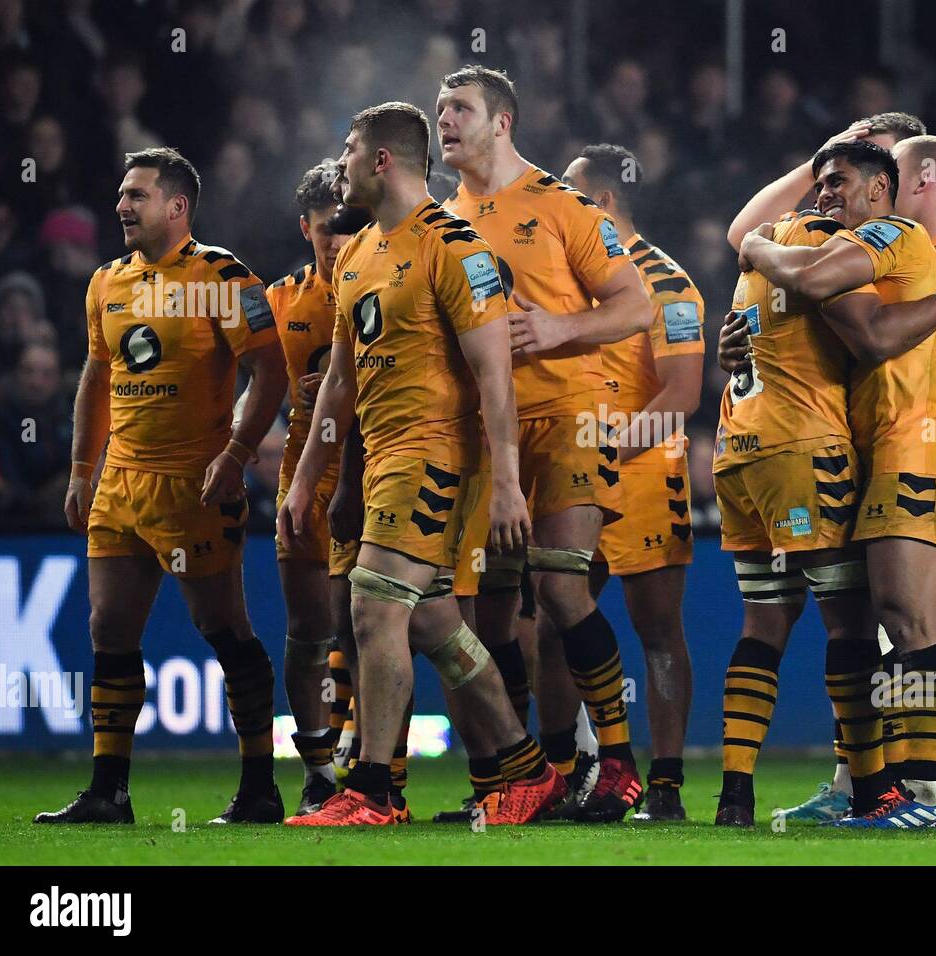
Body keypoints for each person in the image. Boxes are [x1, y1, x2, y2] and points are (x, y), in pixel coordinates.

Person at [278, 101, 564, 827]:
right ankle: (527, 769)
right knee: (433, 620)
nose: (338, 164)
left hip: (434, 452)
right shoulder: (360, 255)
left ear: (381, 161)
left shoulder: (454, 246)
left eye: (347, 150)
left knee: (374, 606)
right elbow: (339, 382)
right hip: (380, 458)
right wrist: (310, 475)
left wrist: (505, 485)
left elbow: (495, 374)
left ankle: (372, 790)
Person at [36, 147, 290, 825]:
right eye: (121, 194)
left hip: (194, 484)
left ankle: (260, 787)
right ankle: (107, 792)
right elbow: (96, 379)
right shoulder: (105, 282)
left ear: (177, 207)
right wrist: (83, 470)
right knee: (109, 627)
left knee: (223, 627)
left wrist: (236, 454)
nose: (122, 205)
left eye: (137, 195)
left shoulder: (224, 278)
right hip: (121, 481)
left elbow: (270, 372)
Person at [436, 66, 654, 822]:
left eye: (460, 108)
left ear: (502, 121)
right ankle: (524, 777)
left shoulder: (564, 205)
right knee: (488, 621)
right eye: (438, 110)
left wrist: (560, 327)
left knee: (562, 588)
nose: (444, 121)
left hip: (571, 414)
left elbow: (636, 306)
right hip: (488, 438)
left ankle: (620, 765)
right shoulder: (443, 220)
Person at [736, 140, 936, 829]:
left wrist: (756, 244)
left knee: (909, 617)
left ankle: (929, 795)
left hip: (916, 444)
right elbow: (845, 329)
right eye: (820, 182)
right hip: (879, 449)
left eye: (838, 181)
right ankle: (886, 786)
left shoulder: (892, 232)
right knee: (888, 622)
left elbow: (814, 289)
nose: (824, 192)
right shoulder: (865, 252)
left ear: (880, 187)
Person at [561, 143, 704, 820]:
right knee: (555, 617)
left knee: (656, 628)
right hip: (572, 473)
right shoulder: (572, 280)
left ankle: (667, 785)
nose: (563, 205)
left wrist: (607, 449)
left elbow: (680, 395)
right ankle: (568, 772)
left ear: (605, 203)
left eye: (573, 193)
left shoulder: (667, 283)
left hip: (643, 475)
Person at [266, 159, 366, 817]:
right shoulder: (278, 302)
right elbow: (260, 390)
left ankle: (370, 770)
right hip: (303, 476)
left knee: (365, 631)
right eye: (327, 229)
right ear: (306, 228)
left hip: (373, 474)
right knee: (307, 634)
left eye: (348, 226)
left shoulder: (382, 284)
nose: (338, 241)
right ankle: (318, 770)